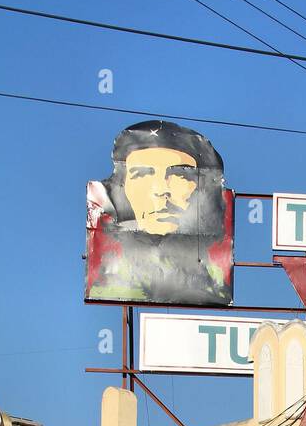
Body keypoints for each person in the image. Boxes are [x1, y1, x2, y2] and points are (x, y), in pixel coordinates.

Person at [86, 120, 233, 305]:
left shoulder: (215, 276)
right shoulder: (108, 277)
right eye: (143, 174)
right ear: (123, 188)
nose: (161, 189)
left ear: (203, 188)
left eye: (180, 174)